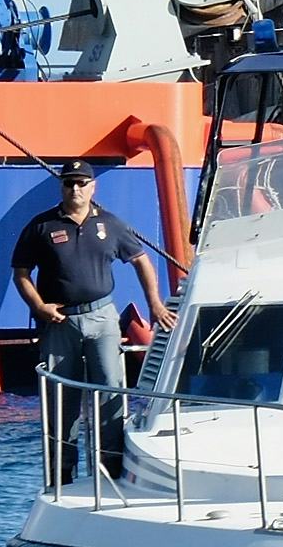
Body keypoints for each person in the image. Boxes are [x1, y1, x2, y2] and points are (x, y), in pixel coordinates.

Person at [12, 160, 178, 483]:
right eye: (69, 183)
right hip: (59, 322)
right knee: (61, 398)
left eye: (81, 183)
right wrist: (38, 306)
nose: (75, 189)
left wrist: (154, 304)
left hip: (102, 318)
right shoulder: (41, 226)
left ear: (93, 187)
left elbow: (141, 260)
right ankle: (61, 475)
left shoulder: (110, 224)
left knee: (111, 393)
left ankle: (111, 470)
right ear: (61, 187)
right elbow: (20, 272)